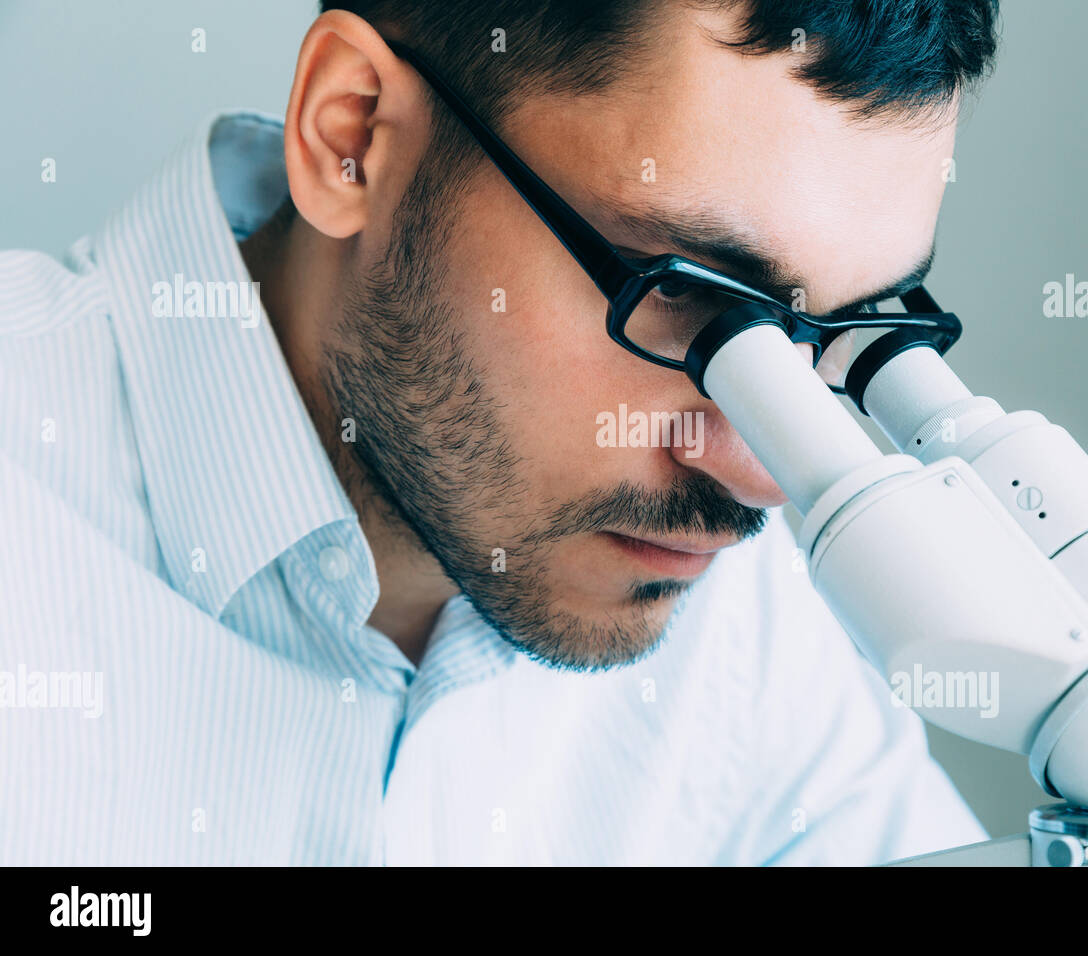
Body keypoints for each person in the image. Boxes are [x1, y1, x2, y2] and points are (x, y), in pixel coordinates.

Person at [0, 0, 1000, 864]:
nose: (755, 474)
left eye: (846, 335)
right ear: (351, 135)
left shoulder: (746, 625)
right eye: (684, 296)